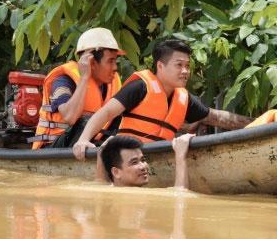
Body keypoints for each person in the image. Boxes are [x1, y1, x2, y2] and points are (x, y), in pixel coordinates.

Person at [72, 39, 253, 159]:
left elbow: (216, 117)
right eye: (179, 65)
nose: (185, 71)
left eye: (187, 66)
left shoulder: (183, 97)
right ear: (160, 65)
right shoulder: (140, 87)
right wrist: (83, 140)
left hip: (154, 157)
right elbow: (105, 113)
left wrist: (258, 124)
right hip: (124, 157)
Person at [30, 28, 125, 149]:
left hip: (88, 144)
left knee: (121, 117)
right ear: (92, 62)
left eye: (115, 61)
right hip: (53, 147)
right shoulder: (63, 80)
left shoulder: (112, 83)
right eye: (110, 61)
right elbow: (70, 117)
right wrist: (85, 78)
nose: (115, 67)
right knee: (86, 121)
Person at [96, 134, 194, 188]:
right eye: (134, 162)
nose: (143, 166)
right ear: (116, 172)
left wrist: (100, 155)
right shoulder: (131, 196)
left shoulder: (106, 190)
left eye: (143, 160)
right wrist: (180, 155)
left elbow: (100, 183)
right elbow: (180, 196)